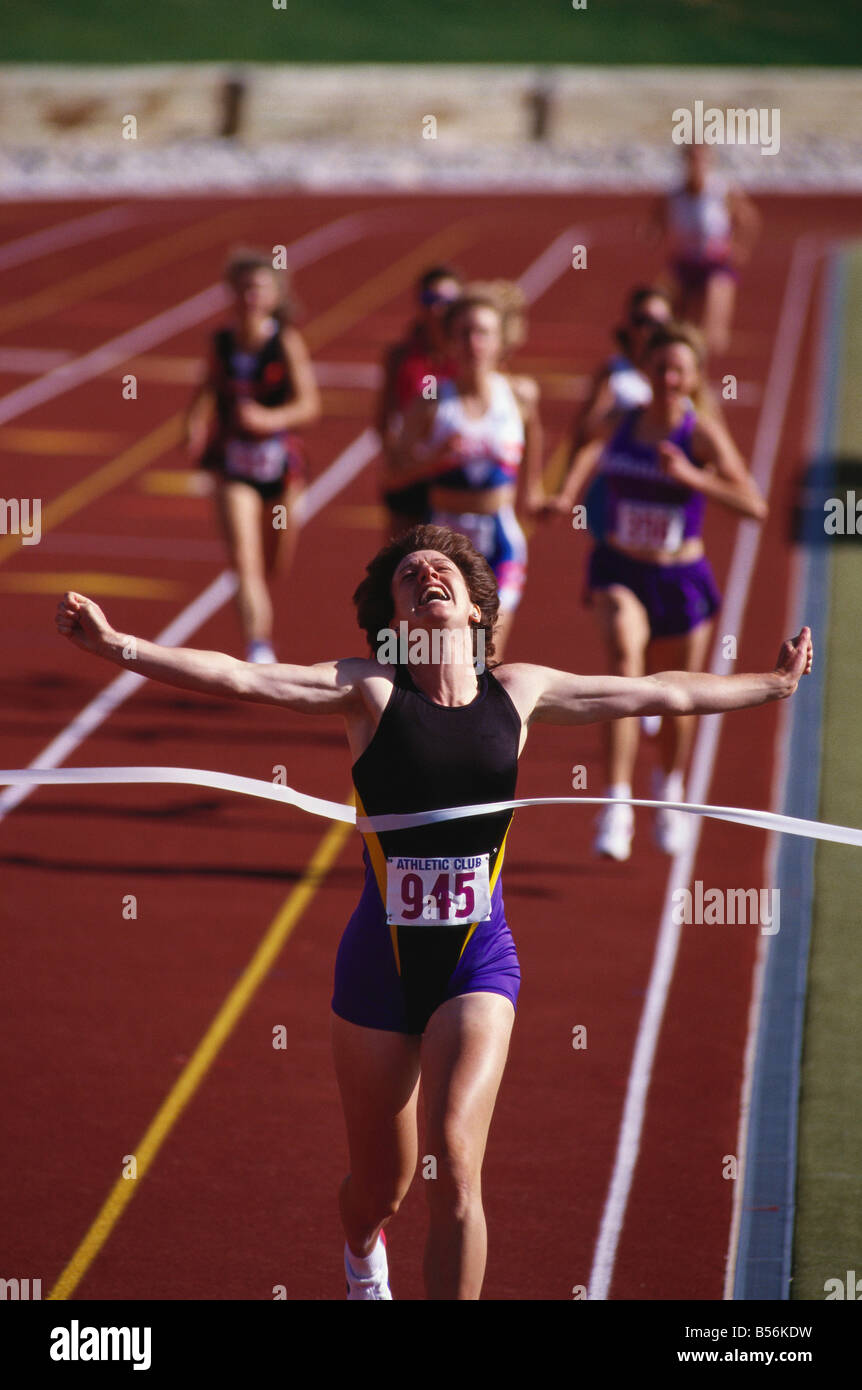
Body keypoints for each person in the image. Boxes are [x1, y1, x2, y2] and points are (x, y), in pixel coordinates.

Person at [55, 525, 812, 1300]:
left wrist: (770, 686)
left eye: (441, 567)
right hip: (377, 969)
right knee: (379, 1188)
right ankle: (360, 1250)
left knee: (454, 1161)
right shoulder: (370, 690)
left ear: (478, 607)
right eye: (408, 575)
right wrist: (120, 648)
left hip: (477, 962)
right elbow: (243, 679)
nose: (425, 574)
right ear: (395, 619)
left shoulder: (521, 691)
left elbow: (664, 691)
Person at [553, 323, 768, 861]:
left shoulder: (701, 434)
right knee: (625, 665)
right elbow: (583, 447)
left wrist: (697, 479)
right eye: (660, 368)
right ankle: (617, 803)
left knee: (676, 701)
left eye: (679, 370)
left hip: (680, 579)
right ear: (645, 372)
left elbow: (754, 505)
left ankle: (669, 789)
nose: (668, 379)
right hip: (619, 567)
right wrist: (562, 494)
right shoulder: (621, 421)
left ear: (694, 378)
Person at [389, 291, 545, 661]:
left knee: (486, 655)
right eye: (464, 333)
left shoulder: (520, 394)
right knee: (439, 656)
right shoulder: (431, 401)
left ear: (499, 341)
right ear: (449, 340)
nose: (474, 343)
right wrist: (434, 460)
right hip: (442, 541)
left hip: (500, 540)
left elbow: (534, 434)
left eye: (483, 333)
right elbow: (391, 477)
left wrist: (534, 491)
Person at [184, 249, 321, 663]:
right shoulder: (220, 342)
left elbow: (310, 405)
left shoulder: (285, 342)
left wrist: (267, 417)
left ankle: (258, 620)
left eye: (258, 288)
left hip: (279, 467)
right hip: (233, 465)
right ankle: (258, 645)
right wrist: (193, 423)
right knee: (244, 560)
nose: (249, 296)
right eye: (242, 288)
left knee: (272, 561)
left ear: (274, 294)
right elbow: (207, 388)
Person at [377, 265, 463, 536]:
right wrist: (395, 453)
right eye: (430, 300)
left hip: (454, 474)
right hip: (412, 472)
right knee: (403, 560)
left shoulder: (469, 356)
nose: (438, 309)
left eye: (448, 302)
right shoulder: (401, 355)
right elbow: (384, 413)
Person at [650, 144, 760, 355]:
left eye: (701, 160)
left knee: (713, 334)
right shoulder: (674, 195)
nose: (696, 165)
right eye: (692, 160)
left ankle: (699, 375)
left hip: (715, 266)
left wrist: (738, 246)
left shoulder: (721, 191)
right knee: (672, 324)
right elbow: (656, 221)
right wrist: (653, 234)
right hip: (684, 264)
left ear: (709, 162)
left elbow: (749, 218)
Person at [569, 285, 673, 453]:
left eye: (657, 323)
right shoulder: (614, 373)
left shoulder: (681, 373)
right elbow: (587, 431)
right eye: (640, 321)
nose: (647, 330)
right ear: (628, 323)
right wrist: (636, 418)